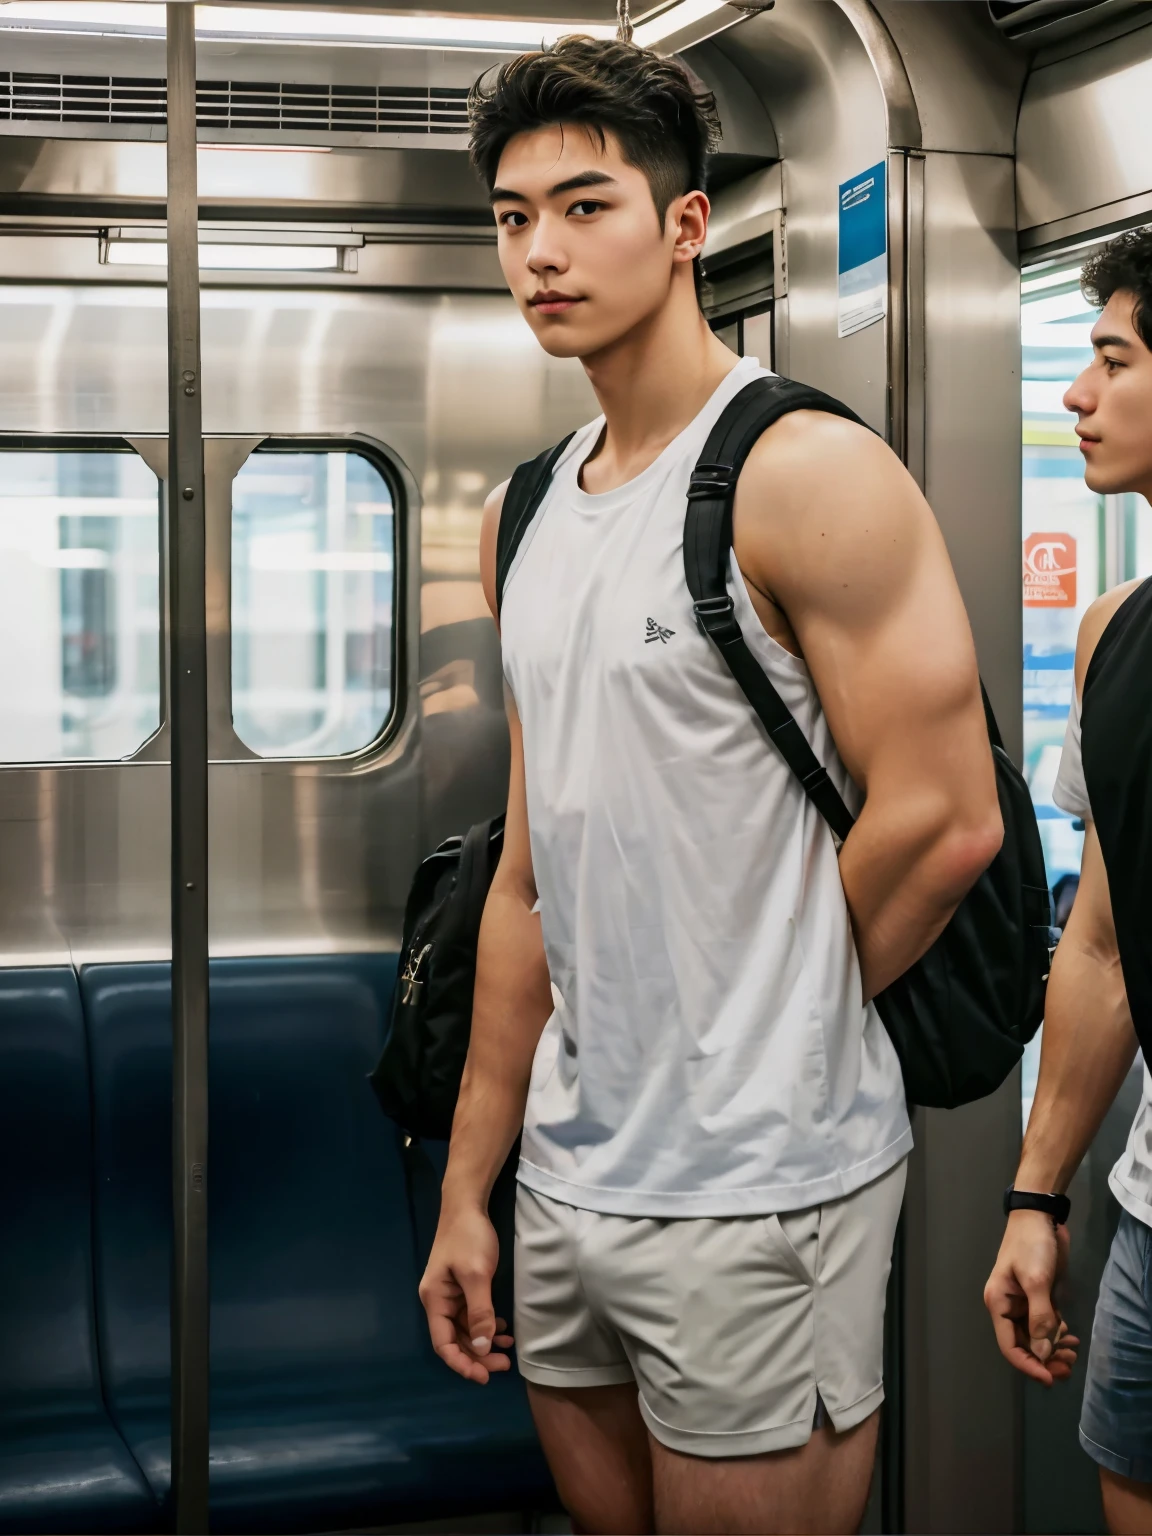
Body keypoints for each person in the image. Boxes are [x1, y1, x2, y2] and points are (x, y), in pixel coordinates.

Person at [419, 36, 1002, 1536]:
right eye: (510, 214)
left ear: (685, 229)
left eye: (586, 205)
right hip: (570, 1171)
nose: (540, 250)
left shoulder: (802, 471)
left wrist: (750, 1026)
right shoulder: (527, 512)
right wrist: (472, 1184)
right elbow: (531, 878)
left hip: (762, 1183)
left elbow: (944, 823)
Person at [984, 227, 1152, 1536]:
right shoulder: (1114, 637)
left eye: (1112, 359)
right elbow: (1098, 949)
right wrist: (1038, 1193)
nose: (1076, 395)